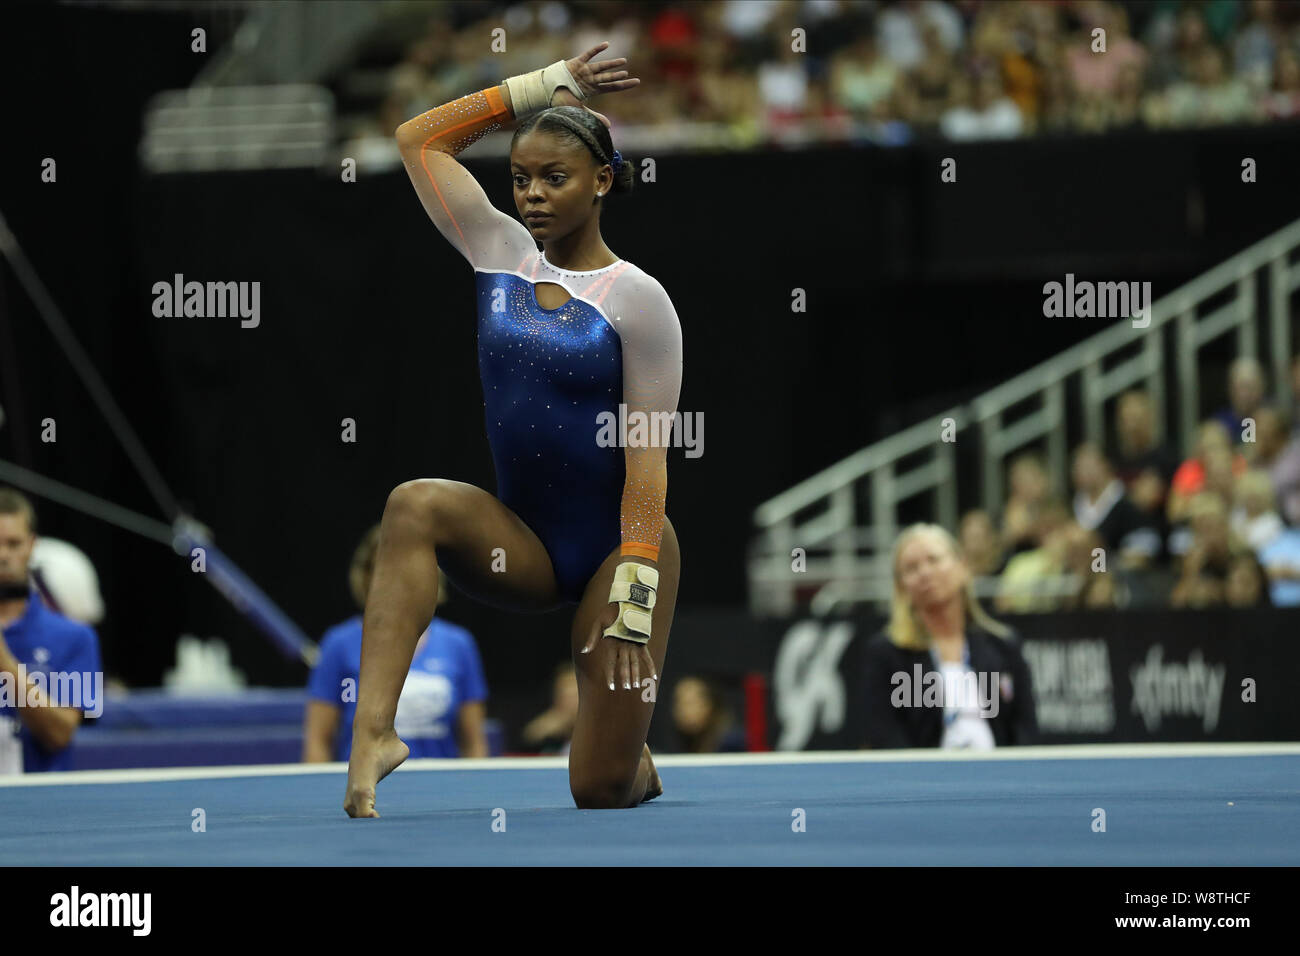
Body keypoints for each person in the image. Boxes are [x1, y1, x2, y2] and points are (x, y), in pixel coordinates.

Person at [345, 43, 682, 815]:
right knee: (413, 504)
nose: (532, 195)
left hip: (621, 550)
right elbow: (418, 140)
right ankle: (374, 732)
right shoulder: (496, 253)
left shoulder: (638, 300)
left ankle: (626, 751)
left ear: (603, 182)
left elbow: (648, 458)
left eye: (554, 179)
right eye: (521, 178)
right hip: (521, 543)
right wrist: (542, 85)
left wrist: (635, 580)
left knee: (598, 790)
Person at [304, 525, 488, 762]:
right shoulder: (338, 645)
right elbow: (318, 743)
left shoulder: (458, 644)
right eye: (383, 568)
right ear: (366, 576)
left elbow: (474, 745)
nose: (395, 579)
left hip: (440, 792)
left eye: (407, 567)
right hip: (366, 794)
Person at [863, 523, 1036, 750]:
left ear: (962, 566)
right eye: (911, 568)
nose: (925, 573)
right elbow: (883, 734)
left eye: (934, 560)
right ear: (901, 586)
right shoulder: (886, 654)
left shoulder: (1003, 644)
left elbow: (1026, 730)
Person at [0, 488, 103, 773]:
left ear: (32, 545)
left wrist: (5, 663)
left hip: (42, 808)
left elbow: (59, 735)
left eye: (13, 543)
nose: (3, 555)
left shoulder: (75, 638)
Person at [671, 675, 746, 753]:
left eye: (690, 703)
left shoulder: (733, 744)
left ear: (710, 705)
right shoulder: (682, 743)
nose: (682, 710)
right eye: (678, 702)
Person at [521, 662, 579, 755]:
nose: (571, 703)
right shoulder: (548, 734)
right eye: (565, 696)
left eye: (575, 695)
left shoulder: (600, 729)